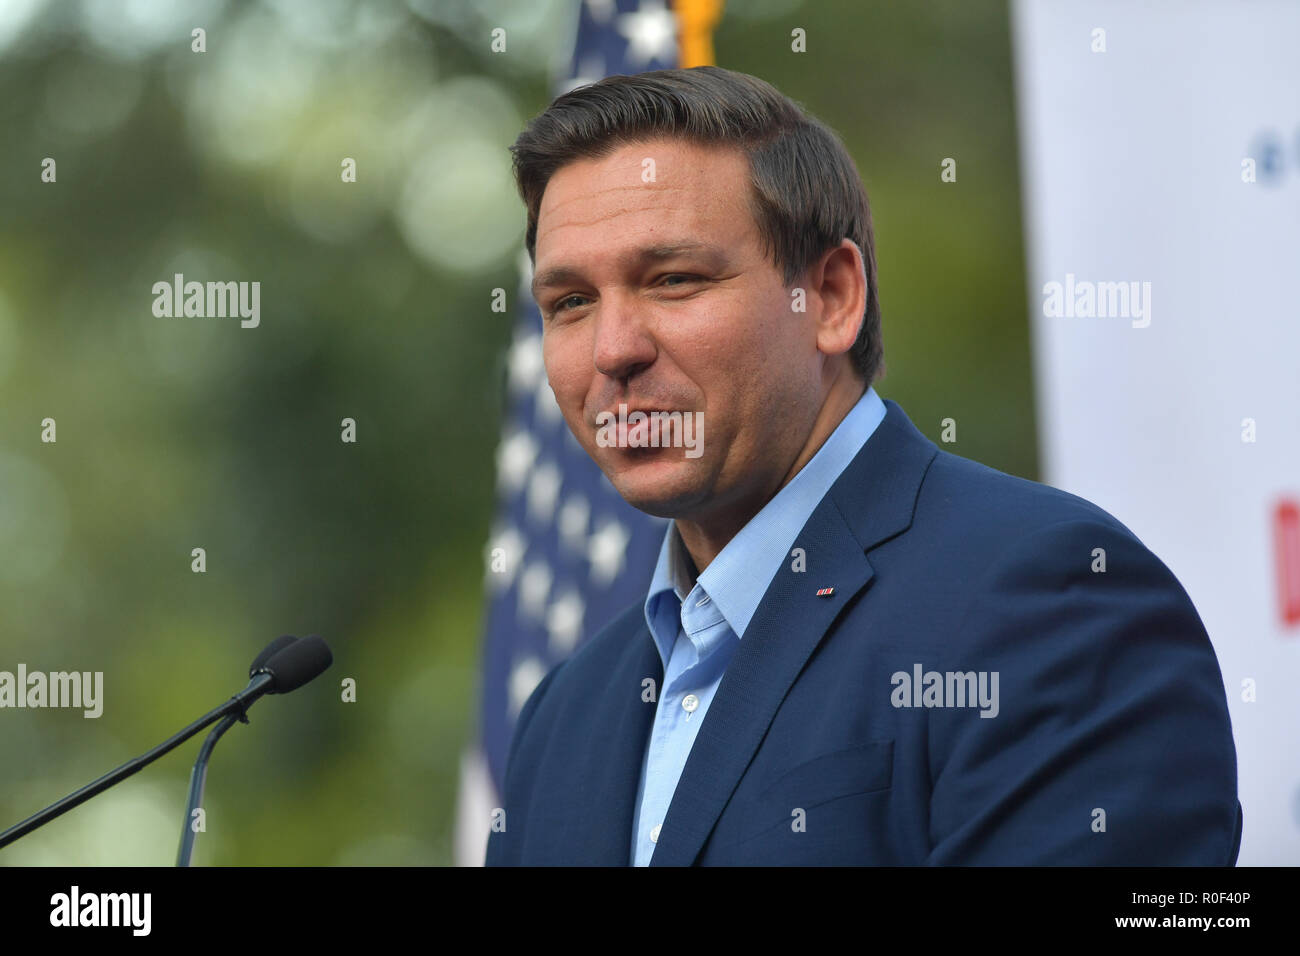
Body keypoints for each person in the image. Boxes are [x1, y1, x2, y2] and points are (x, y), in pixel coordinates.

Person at [485, 66, 1241, 866]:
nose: (614, 350)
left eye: (674, 280)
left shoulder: (1055, 603)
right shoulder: (564, 716)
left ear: (834, 296)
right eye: (570, 302)